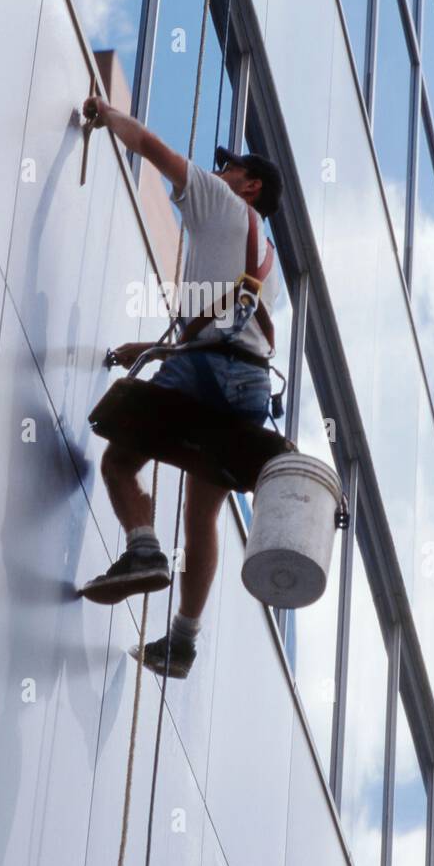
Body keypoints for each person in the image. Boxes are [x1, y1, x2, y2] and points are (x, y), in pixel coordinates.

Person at [79, 96, 284, 679]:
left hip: (203, 371)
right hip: (248, 385)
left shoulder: (218, 201)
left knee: (119, 464)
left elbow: (153, 150)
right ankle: (183, 642)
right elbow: (226, 331)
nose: (219, 171)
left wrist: (106, 113)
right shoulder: (267, 260)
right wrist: (149, 350)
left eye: (231, 168)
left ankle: (143, 548)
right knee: (202, 517)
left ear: (248, 187)